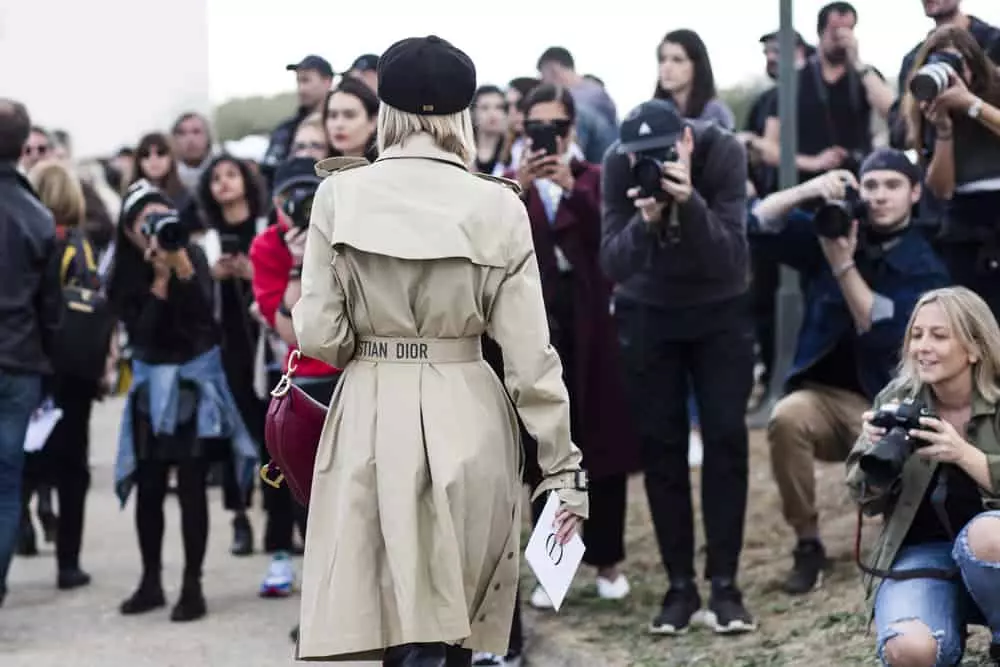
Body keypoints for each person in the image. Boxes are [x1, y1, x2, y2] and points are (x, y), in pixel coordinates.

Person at [290, 35, 588, 665]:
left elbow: (319, 333)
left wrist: (369, 342)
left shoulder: (339, 195)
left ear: (386, 111)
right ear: (461, 112)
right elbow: (532, 358)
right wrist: (562, 471)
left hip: (372, 404)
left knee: (393, 620)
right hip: (470, 407)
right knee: (459, 623)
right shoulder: (500, 204)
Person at [749, 150, 950, 594]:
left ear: (915, 193)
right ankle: (807, 543)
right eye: (871, 185)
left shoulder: (924, 259)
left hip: (889, 402)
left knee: (908, 476)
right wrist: (808, 190)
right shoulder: (836, 228)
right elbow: (758, 224)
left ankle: (899, 523)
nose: (879, 196)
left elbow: (884, 332)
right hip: (824, 398)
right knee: (785, 417)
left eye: (892, 186)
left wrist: (842, 264)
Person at [601, 99, 755, 635]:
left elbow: (732, 257)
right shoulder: (618, 163)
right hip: (649, 315)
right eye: (641, 155)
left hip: (720, 310)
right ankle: (680, 586)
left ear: (686, 141)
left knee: (726, 440)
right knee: (661, 447)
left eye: (662, 153)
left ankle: (725, 585)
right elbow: (612, 264)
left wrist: (688, 203)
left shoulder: (723, 152)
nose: (651, 162)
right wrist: (647, 223)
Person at [109, 180, 258, 622]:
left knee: (192, 486)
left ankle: (192, 584)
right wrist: (158, 279)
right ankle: (151, 580)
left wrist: (180, 270)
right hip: (150, 385)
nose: (154, 225)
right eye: (144, 219)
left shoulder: (190, 254)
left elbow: (202, 322)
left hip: (192, 386)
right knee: (150, 488)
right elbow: (143, 334)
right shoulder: (124, 270)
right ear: (129, 229)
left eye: (161, 213)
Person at [847, 287, 1000, 667]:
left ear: (974, 348)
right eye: (916, 335)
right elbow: (864, 498)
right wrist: (873, 453)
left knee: (987, 537)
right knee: (908, 651)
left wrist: (963, 454)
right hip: (923, 555)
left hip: (992, 550)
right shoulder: (897, 401)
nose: (922, 347)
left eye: (939, 335)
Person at [0, 99, 62, 607]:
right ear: (24, 147)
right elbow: (52, 309)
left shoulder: (38, 215)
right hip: (19, 361)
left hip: (20, 360)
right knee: (5, 483)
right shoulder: (38, 216)